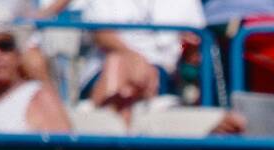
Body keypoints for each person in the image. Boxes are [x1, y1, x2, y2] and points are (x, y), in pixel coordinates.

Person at [78, 0, 206, 123]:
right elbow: (101, 35)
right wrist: (136, 60)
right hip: (103, 70)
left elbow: (192, 43)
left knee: (118, 69)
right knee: (117, 63)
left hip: (162, 74)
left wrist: (183, 48)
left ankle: (99, 127)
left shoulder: (186, 3)